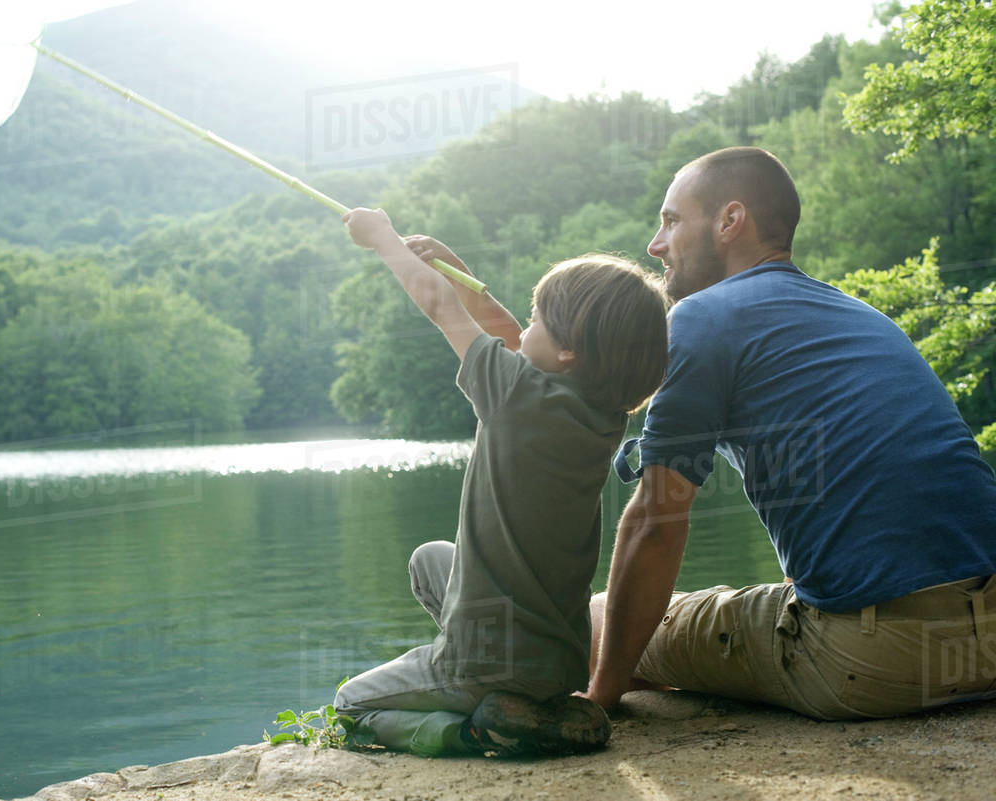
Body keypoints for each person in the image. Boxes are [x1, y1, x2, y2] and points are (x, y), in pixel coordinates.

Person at [584, 146, 996, 721]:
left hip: (876, 661)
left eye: (671, 220)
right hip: (990, 639)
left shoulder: (701, 318)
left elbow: (657, 522)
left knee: (598, 616)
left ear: (730, 221)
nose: (656, 245)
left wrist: (602, 694)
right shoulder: (862, 315)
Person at [335, 207, 669, 755]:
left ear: (567, 352)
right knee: (430, 560)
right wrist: (459, 269)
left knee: (350, 705)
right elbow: (516, 340)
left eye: (538, 317)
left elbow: (439, 307)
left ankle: (466, 723)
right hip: (557, 661)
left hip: (483, 657)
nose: (525, 326)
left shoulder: (514, 395)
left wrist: (383, 240)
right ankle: (535, 703)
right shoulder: (600, 413)